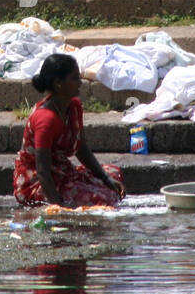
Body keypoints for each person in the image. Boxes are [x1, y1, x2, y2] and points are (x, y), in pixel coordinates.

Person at [13, 53, 124, 207]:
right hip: (38, 183)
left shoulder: (74, 106)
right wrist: (58, 208)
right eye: (75, 78)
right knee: (103, 200)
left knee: (113, 174)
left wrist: (105, 178)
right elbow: (43, 172)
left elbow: (81, 149)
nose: (80, 82)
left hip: (62, 172)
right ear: (58, 83)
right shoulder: (46, 119)